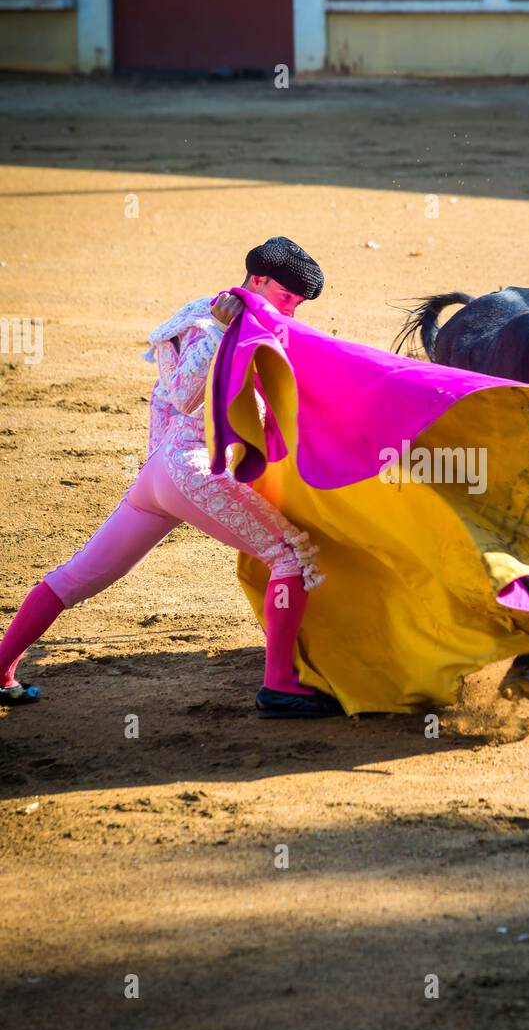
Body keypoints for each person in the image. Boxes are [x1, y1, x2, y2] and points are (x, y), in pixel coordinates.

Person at [0, 237, 339, 721]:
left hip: (158, 478)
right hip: (188, 472)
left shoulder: (254, 326)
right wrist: (221, 331)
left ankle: (1, 670)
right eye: (287, 298)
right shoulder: (203, 320)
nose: (292, 311)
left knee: (78, 576)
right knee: (292, 556)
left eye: (297, 304)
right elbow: (181, 395)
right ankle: (280, 685)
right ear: (258, 281)